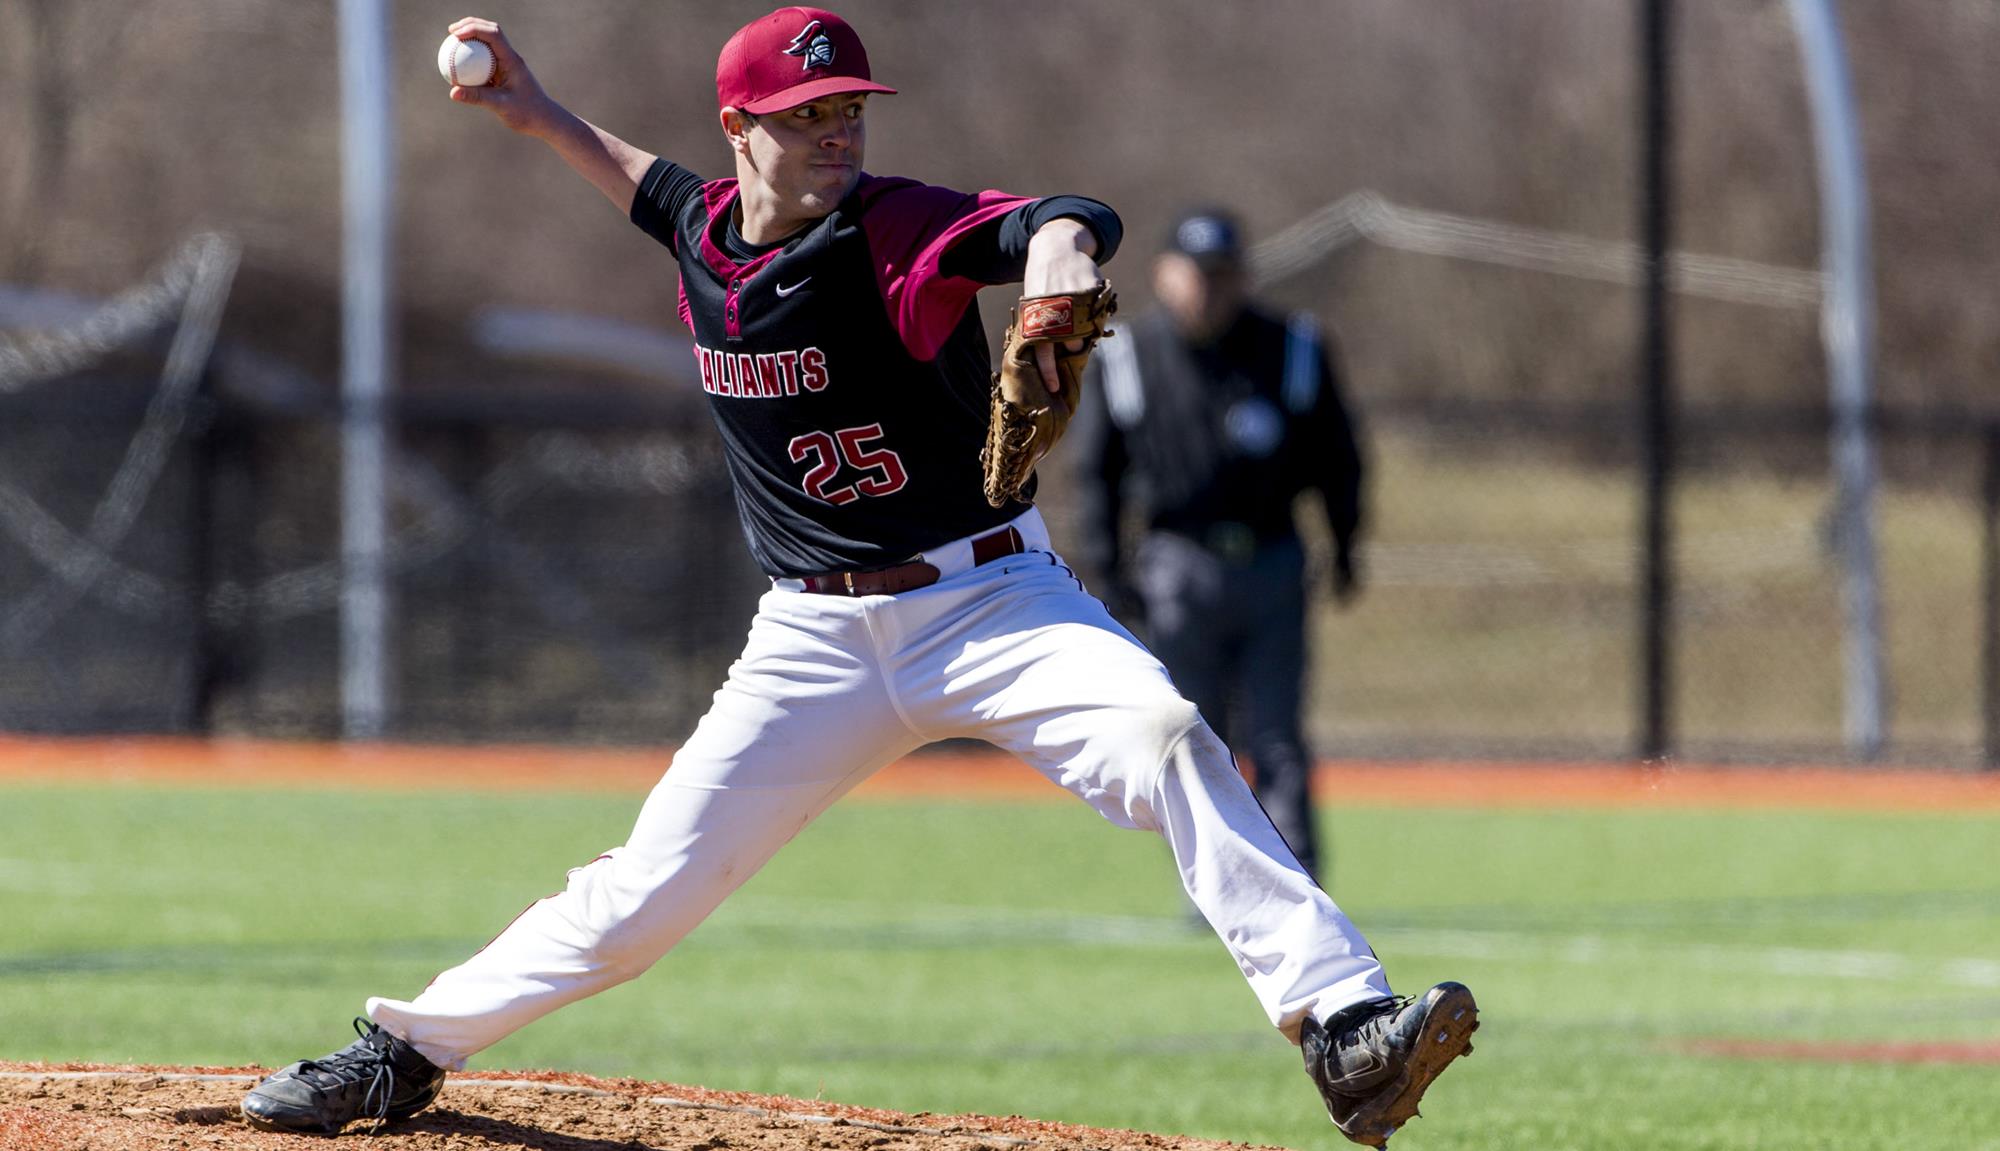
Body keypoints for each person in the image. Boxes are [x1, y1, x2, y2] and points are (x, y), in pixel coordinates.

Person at [237, 11, 1475, 1148]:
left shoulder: (885, 228)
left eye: (848, 110)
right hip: (810, 639)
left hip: (991, 601)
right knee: (644, 893)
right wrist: (540, 112)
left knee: (1165, 734)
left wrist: (1052, 261)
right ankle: (401, 1050)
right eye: (805, 115)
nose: (836, 133)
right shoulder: (703, 231)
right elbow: (645, 184)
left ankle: (1341, 1026)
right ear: (740, 130)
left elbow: (1059, 212)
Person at [1069, 209, 1365, 884]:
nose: (1209, 289)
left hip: (1272, 559)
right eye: (1196, 275)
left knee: (1277, 733)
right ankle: (1218, 877)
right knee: (1189, 735)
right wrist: (1109, 570)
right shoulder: (1127, 353)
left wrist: (1345, 543)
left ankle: (1297, 876)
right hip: (1176, 564)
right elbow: (1097, 473)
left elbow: (1339, 457)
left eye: (1223, 276)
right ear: (1163, 275)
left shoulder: (1292, 345)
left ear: (1245, 278)